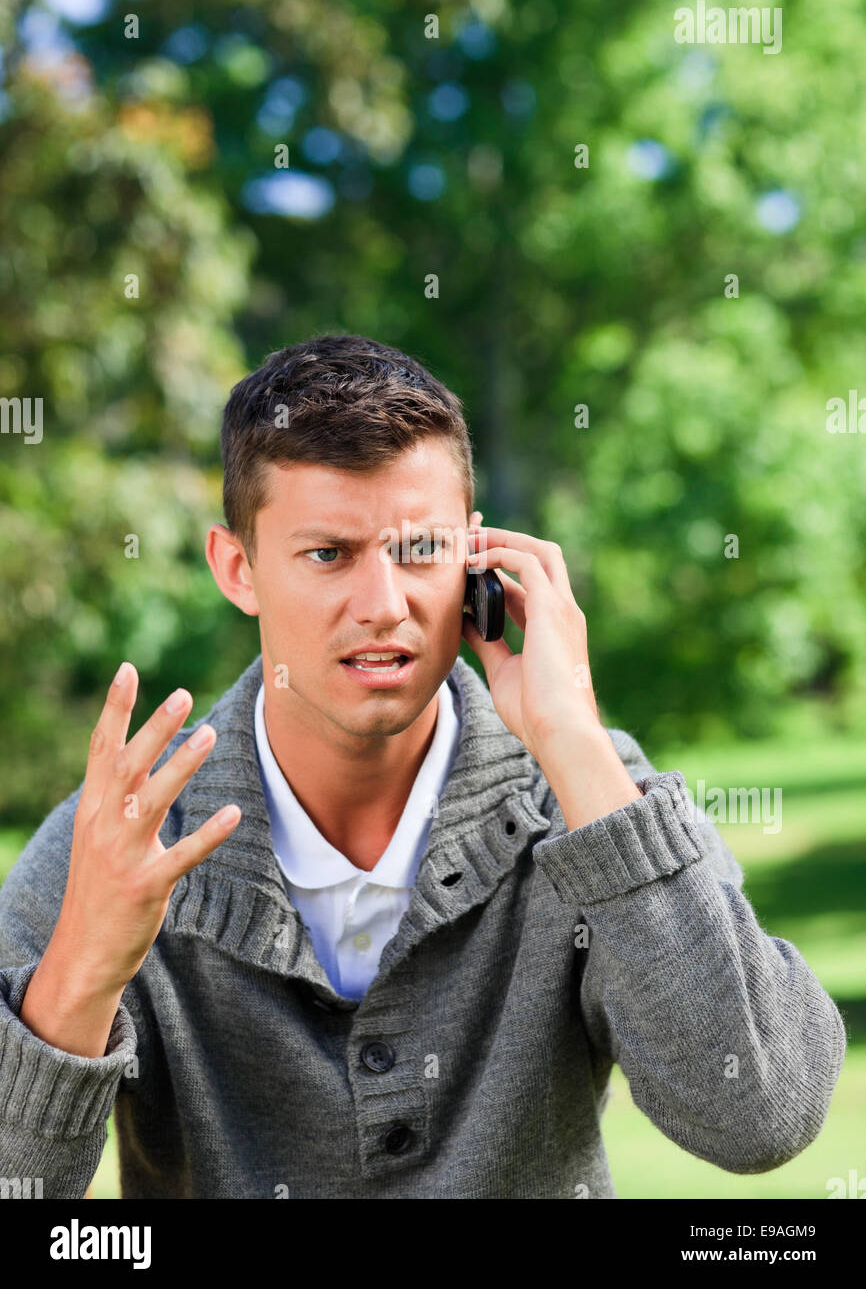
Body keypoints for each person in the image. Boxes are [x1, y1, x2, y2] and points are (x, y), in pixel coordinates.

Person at [0, 335, 846, 1198]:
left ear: (474, 559)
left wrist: (577, 744)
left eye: (417, 551)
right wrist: (81, 977)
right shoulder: (116, 846)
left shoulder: (592, 798)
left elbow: (761, 1116)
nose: (382, 606)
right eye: (327, 554)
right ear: (237, 567)